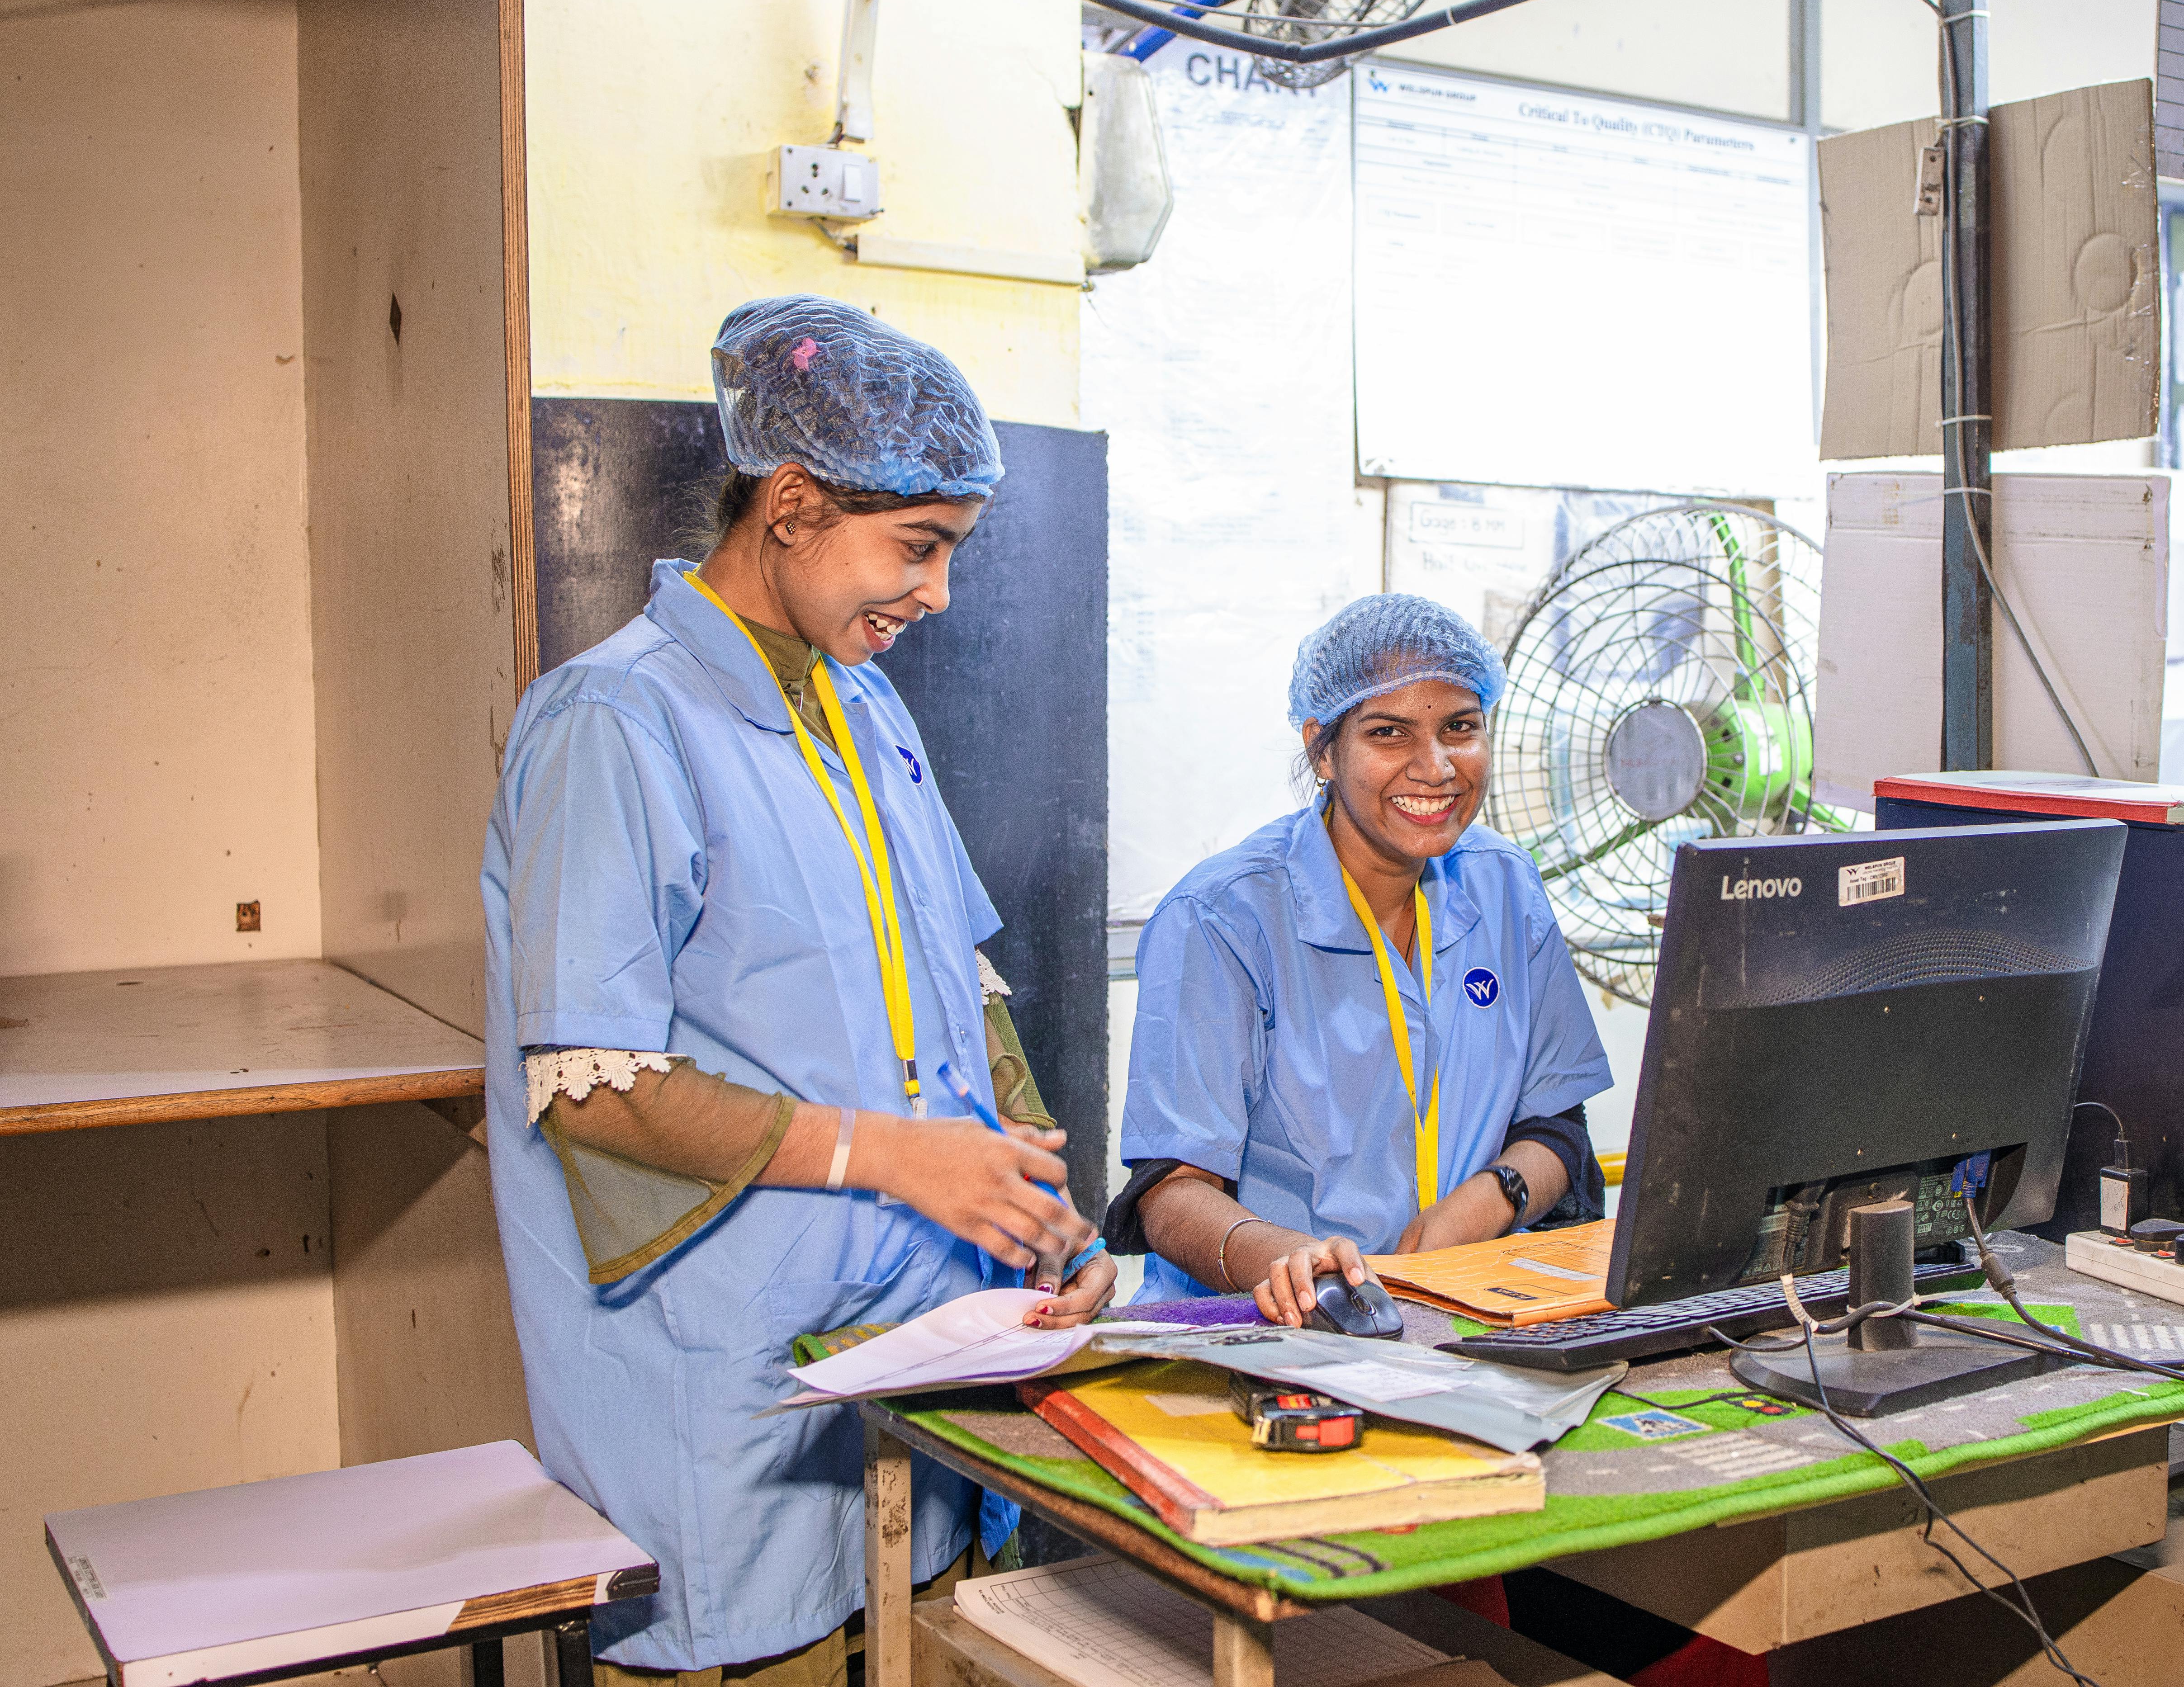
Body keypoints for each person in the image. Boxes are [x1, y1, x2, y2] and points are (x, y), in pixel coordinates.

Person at [482, 296, 1116, 1684]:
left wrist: (1034, 1195)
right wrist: (894, 1155)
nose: (937, 592)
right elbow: (589, 1083)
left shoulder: (861, 706)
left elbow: (961, 978)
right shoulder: (616, 721)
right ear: (790, 501)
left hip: (908, 1344)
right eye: (918, 547)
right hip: (729, 1376)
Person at [1106, 594, 1612, 1319]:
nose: (1436, 767)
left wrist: (1485, 1202)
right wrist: (1285, 1261)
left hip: (1468, 1304)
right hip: (1271, 1327)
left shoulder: (1505, 884)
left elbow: (1557, 1128)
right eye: (1389, 732)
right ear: (1321, 749)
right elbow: (1171, 1192)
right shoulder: (1223, 918)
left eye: (1460, 728)